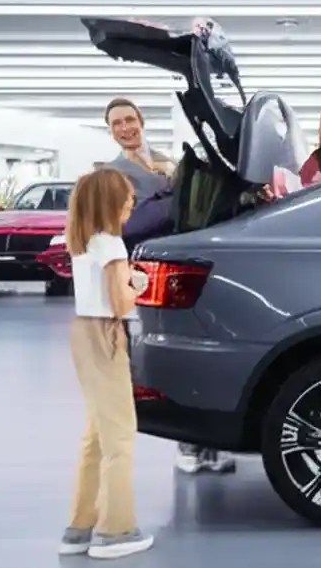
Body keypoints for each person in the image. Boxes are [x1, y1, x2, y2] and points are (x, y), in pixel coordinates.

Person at [100, 97, 237, 475]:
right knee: (175, 360)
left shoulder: (167, 162)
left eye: (130, 119)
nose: (125, 128)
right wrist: (169, 199)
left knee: (200, 356)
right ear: (110, 131)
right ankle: (188, 445)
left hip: (184, 268)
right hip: (149, 274)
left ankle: (207, 444)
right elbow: (123, 227)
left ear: (141, 121)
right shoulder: (112, 174)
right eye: (116, 123)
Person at [58, 167, 154, 560]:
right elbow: (119, 304)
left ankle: (79, 528)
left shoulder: (84, 241)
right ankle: (116, 531)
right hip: (105, 335)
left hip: (83, 332)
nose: (132, 201)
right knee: (120, 436)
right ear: (110, 201)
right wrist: (139, 286)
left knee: (97, 434)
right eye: (127, 196)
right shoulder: (112, 245)